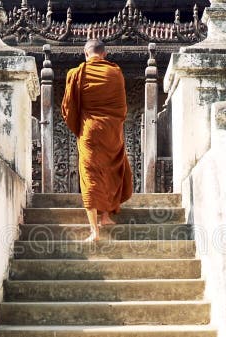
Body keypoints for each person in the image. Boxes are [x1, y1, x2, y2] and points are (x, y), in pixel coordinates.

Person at [61, 39, 133, 242]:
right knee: (111, 169)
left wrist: (80, 125)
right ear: (105, 54)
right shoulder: (115, 73)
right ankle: (106, 216)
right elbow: (122, 108)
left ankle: (95, 230)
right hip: (112, 130)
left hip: (90, 131)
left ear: (85, 54)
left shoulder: (75, 74)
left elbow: (68, 108)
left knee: (90, 174)